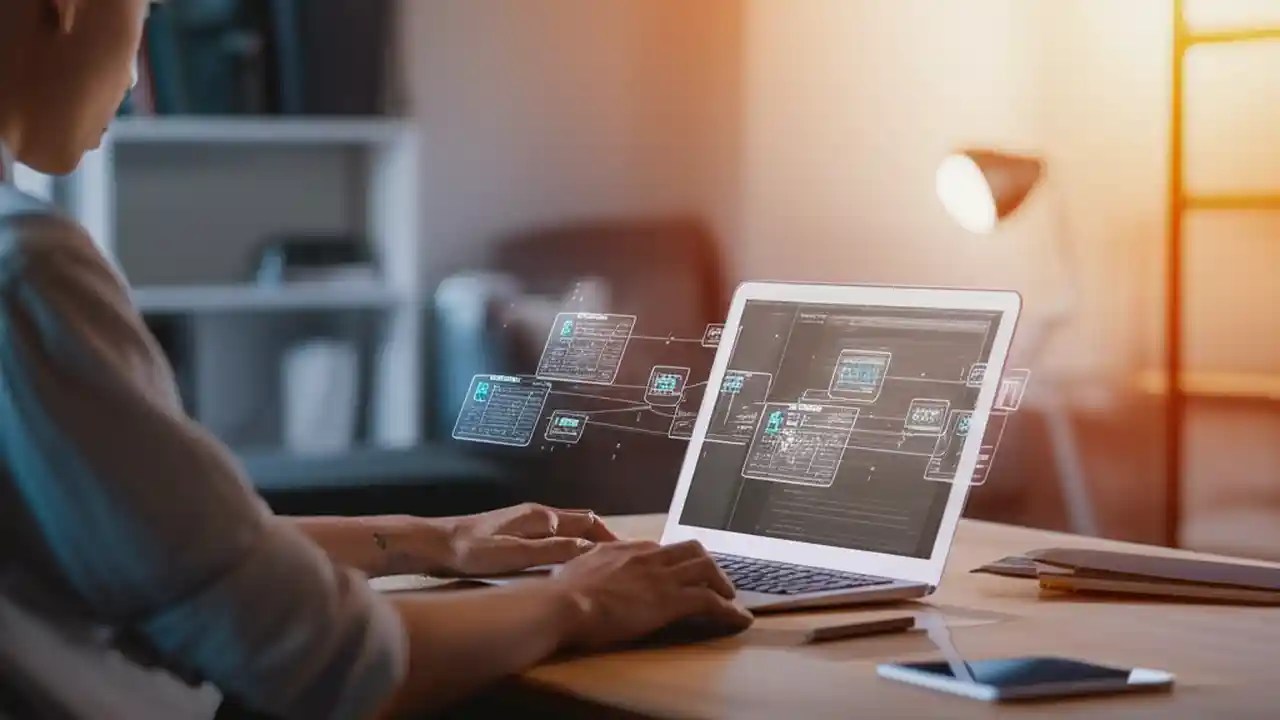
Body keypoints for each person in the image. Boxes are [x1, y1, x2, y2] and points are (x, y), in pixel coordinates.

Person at [0, 1, 753, 718]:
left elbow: (182, 553)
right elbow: (325, 661)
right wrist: (581, 599)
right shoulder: (28, 268)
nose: (136, 74)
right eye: (149, 10)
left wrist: (439, 539)